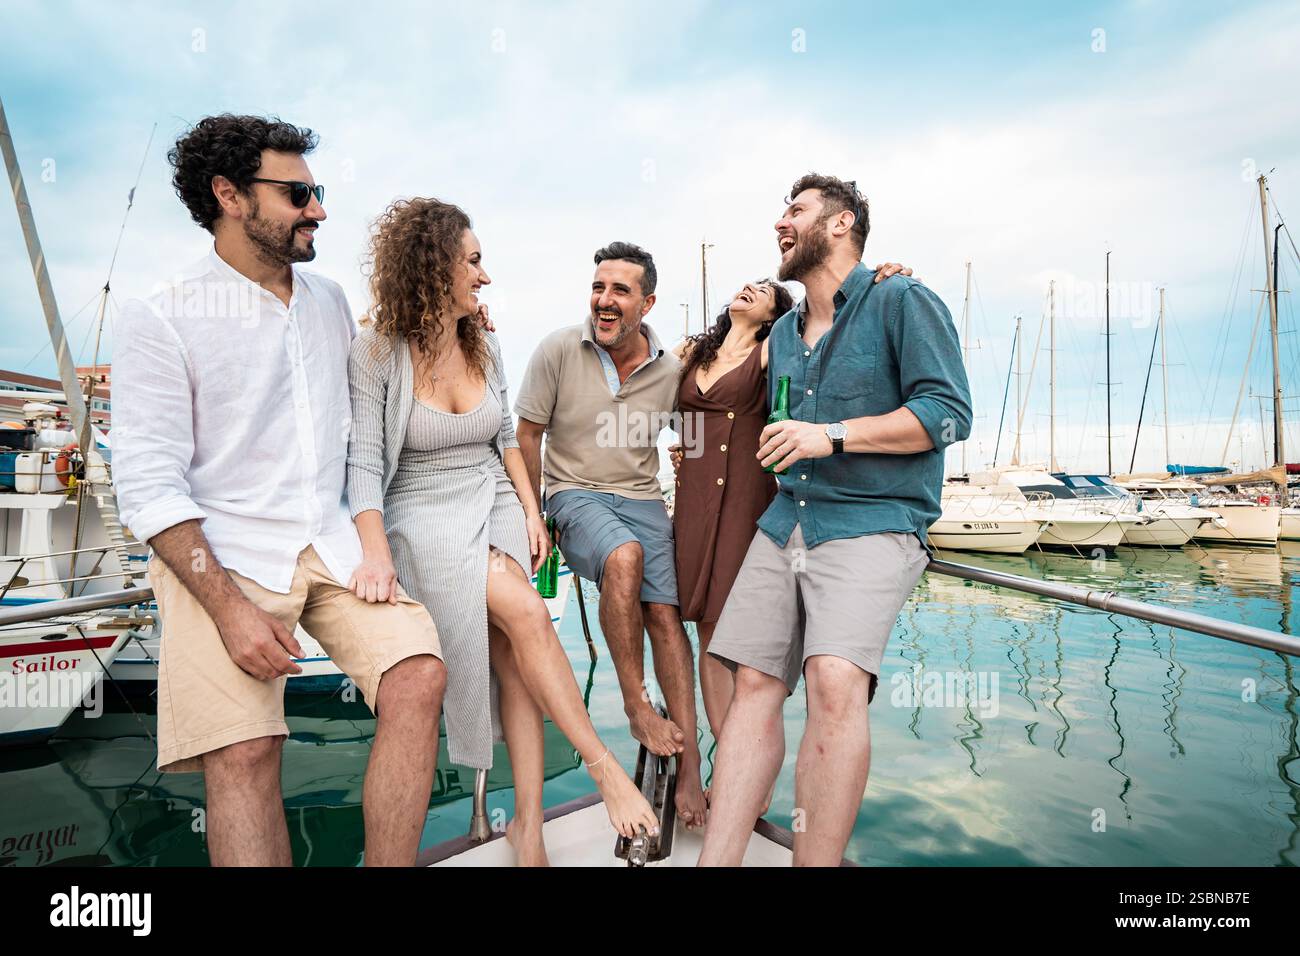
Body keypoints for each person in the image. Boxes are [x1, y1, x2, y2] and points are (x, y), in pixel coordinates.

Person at [113, 114, 446, 867]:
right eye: (298, 194)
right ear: (229, 195)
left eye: (317, 191)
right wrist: (229, 611)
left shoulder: (328, 301)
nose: (319, 210)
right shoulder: (160, 314)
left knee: (419, 676)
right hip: (221, 556)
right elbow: (149, 486)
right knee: (246, 753)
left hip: (327, 543)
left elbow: (372, 410)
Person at [346, 198, 660, 865]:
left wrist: (529, 509)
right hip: (420, 507)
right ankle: (604, 768)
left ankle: (530, 829)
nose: (484, 277)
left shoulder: (482, 340)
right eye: (474, 261)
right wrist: (373, 551)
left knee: (518, 658)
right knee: (523, 609)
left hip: (489, 493)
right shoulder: (375, 350)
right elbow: (366, 462)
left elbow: (505, 439)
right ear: (435, 266)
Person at [699, 173, 972, 866]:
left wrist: (835, 435)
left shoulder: (902, 299)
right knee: (751, 684)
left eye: (795, 211)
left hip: (873, 520)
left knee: (831, 679)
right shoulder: (784, 331)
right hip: (785, 519)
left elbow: (948, 413)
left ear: (841, 223)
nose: (780, 225)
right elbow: (708, 380)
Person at [671, 264, 912, 741]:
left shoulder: (770, 349)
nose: (748, 288)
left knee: (731, 636)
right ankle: (728, 749)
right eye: (746, 284)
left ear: (772, 315)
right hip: (693, 497)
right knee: (703, 628)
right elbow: (648, 392)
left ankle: (739, 759)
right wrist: (680, 442)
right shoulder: (691, 351)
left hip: (744, 493)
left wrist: (883, 276)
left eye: (762, 290)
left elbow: (826, 326)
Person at [514, 242, 708, 826]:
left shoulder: (673, 372)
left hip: (645, 499)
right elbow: (526, 435)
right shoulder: (557, 349)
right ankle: (634, 705)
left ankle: (692, 770)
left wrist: (688, 459)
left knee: (667, 620)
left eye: (620, 291)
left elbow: (698, 433)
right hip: (573, 494)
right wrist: (534, 511)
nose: (604, 300)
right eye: (599, 287)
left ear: (646, 303)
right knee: (622, 558)